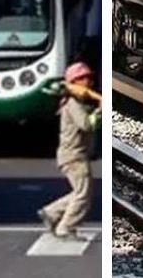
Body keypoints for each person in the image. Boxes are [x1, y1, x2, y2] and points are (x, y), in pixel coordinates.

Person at [38, 62, 100, 240]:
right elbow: (86, 124)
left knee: (80, 191)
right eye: (83, 78)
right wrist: (101, 110)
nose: (88, 81)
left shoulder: (75, 102)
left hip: (73, 154)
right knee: (83, 194)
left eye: (89, 77)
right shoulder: (73, 104)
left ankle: (51, 212)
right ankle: (66, 227)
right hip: (74, 155)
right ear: (74, 82)